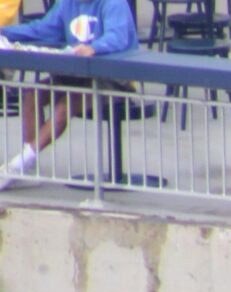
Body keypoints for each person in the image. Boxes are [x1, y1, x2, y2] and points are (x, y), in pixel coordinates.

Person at [0, 0, 138, 192]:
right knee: (33, 94)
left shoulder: (114, 3)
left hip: (113, 78)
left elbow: (118, 37)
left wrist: (95, 47)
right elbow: (43, 28)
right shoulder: (67, 3)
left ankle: (19, 163)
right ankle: (27, 168)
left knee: (65, 105)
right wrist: (5, 32)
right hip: (75, 73)